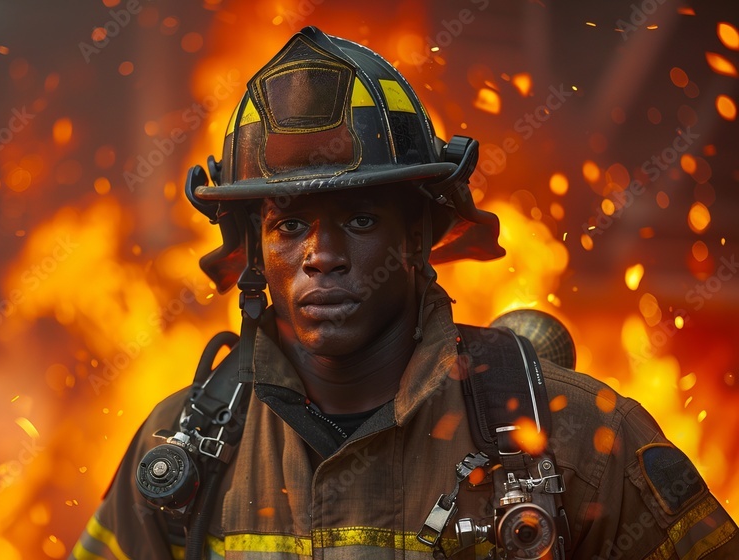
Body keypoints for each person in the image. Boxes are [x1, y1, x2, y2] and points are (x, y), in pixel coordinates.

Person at [72, 27, 737, 560]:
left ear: (419, 236)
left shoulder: (577, 439)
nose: (321, 257)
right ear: (252, 254)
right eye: (289, 225)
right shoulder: (181, 453)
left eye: (360, 219)